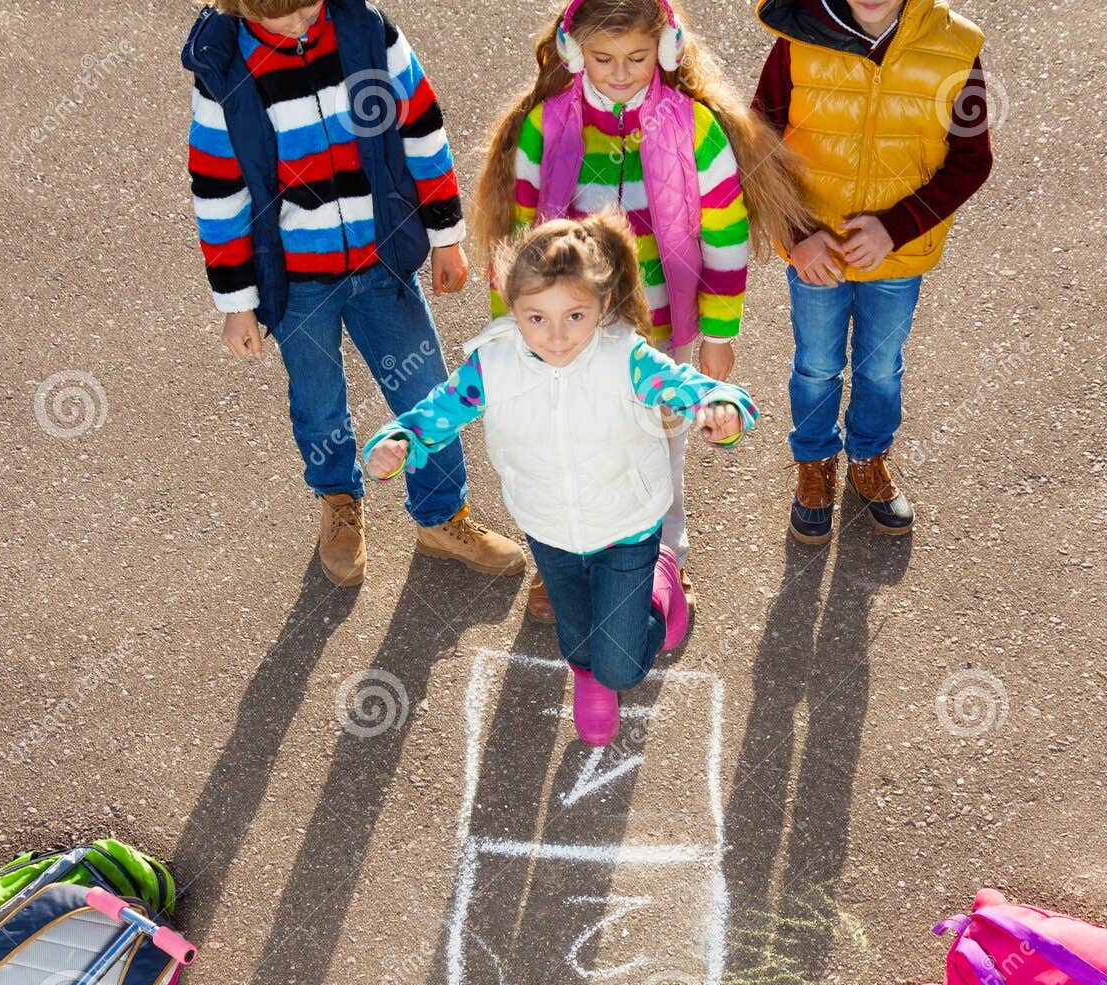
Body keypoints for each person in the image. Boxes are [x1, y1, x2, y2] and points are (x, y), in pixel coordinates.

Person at [363, 213, 758, 746]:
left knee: (623, 664)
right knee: (575, 629)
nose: (556, 335)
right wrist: (398, 441)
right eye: (536, 318)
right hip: (547, 526)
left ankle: (660, 593)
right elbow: (434, 415)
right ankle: (587, 674)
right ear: (512, 305)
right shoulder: (492, 366)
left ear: (602, 304)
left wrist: (723, 408)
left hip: (628, 526)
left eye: (574, 315)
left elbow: (692, 386)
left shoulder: (629, 359)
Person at [472, 0, 811, 620]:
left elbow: (725, 235)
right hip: (566, 330)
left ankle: (665, 555)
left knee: (662, 439)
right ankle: (564, 560)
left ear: (668, 49)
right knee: (563, 440)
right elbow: (516, 242)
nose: (620, 72)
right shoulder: (545, 126)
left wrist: (719, 332)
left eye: (637, 57)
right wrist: (505, 327)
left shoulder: (695, 128)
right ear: (575, 54)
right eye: (602, 59)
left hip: (661, 325)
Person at [183, 0, 524, 586]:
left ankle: (442, 515)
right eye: (275, 18)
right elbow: (219, 193)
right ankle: (339, 502)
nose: (295, 28)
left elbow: (422, 130)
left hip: (382, 262)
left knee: (426, 391)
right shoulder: (223, 69)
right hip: (296, 281)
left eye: (304, 9)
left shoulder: (367, 34)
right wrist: (235, 303)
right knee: (319, 405)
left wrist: (445, 236)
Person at [752, 0, 994, 544]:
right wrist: (796, 234)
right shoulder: (797, 36)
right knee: (816, 364)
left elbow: (971, 160)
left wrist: (896, 227)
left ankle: (869, 457)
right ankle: (815, 463)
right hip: (815, 250)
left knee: (881, 366)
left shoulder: (956, 45)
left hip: (897, 255)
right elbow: (758, 140)